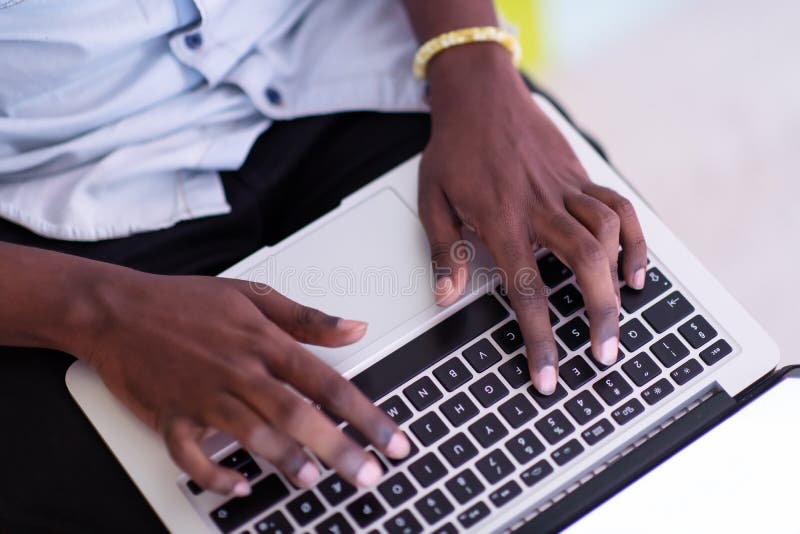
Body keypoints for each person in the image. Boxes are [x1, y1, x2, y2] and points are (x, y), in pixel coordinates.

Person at [0, 1, 646, 531]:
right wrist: (95, 313)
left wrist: (472, 56)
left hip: (347, 55)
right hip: (42, 211)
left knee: (604, 318)